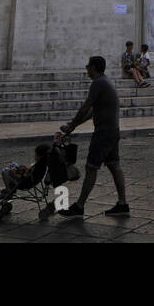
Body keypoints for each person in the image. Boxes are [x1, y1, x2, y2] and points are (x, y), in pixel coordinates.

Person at [59, 55, 128, 217]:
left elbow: (86, 107)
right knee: (114, 165)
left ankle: (80, 206)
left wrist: (71, 125)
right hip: (112, 131)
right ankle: (123, 203)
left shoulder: (98, 83)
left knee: (91, 167)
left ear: (94, 67)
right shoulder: (105, 82)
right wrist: (73, 125)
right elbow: (92, 112)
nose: (86, 69)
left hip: (104, 133)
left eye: (88, 66)